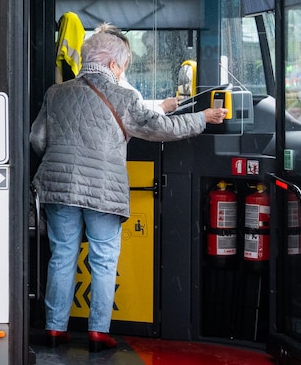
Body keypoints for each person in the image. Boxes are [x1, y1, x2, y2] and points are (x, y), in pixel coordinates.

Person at [30, 24, 225, 352]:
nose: (123, 72)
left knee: (62, 255)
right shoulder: (123, 95)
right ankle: (97, 332)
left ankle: (54, 329)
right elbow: (160, 129)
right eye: (123, 66)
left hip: (58, 186)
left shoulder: (56, 93)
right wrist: (203, 117)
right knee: (104, 259)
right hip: (103, 190)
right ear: (111, 65)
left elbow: (38, 139)